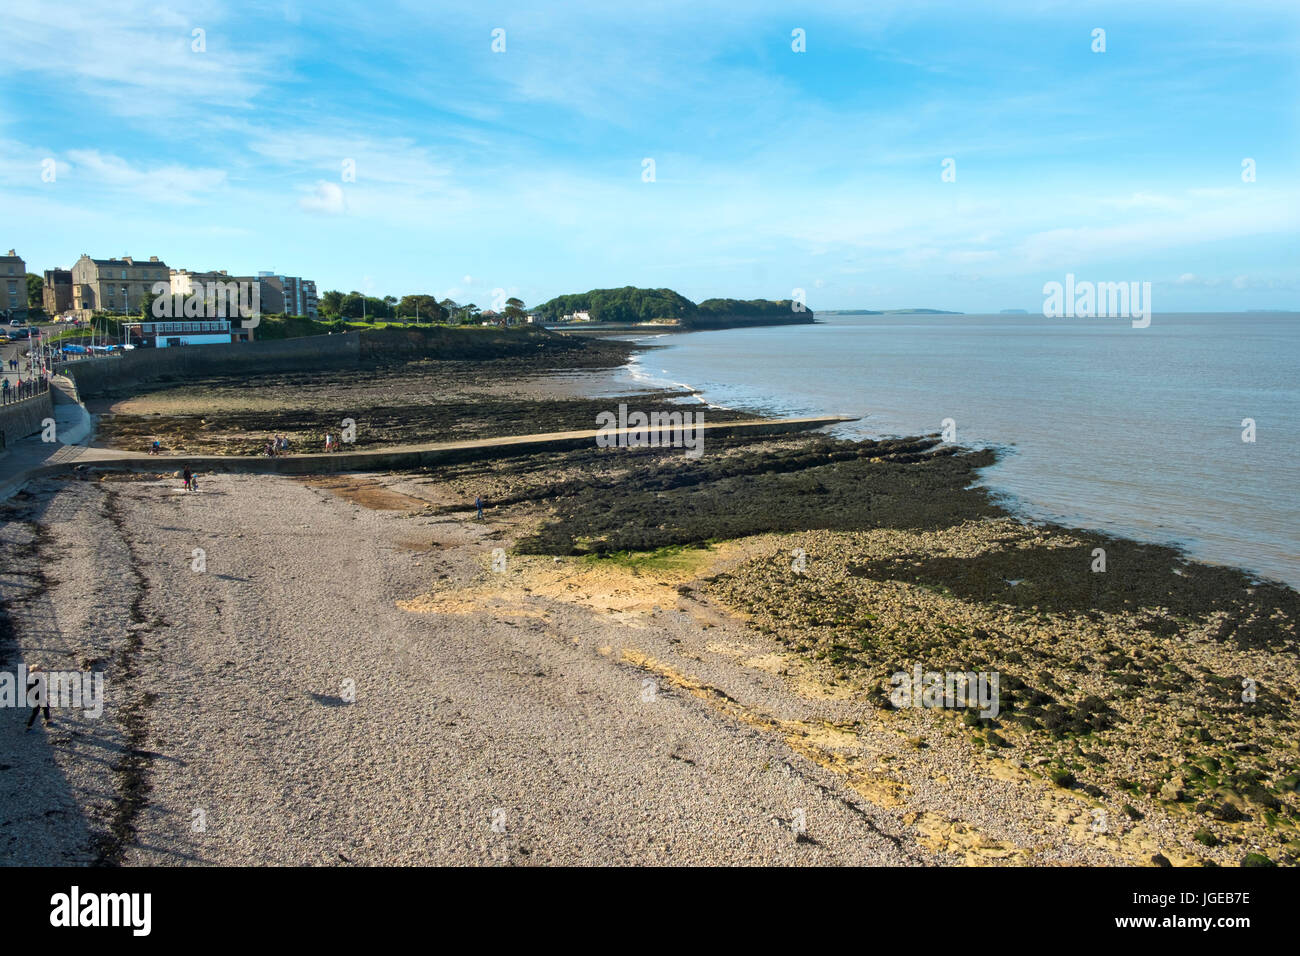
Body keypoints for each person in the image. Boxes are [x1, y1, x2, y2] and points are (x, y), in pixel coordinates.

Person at [25, 665, 52, 732]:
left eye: (40, 669)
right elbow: (29, 690)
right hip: (36, 698)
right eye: (38, 669)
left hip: (41, 697)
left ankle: (48, 721)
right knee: (35, 712)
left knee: (46, 707)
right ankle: (29, 727)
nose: (40, 670)